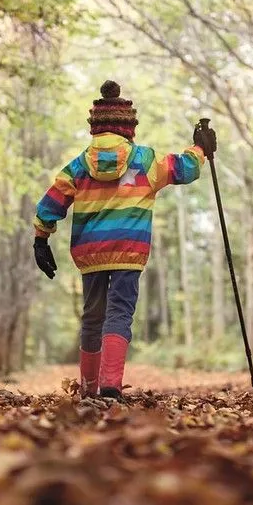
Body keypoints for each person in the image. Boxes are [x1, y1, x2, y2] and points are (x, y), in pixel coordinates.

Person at [33, 80, 215, 399]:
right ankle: (110, 386)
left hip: (90, 253)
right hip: (129, 251)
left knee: (92, 316)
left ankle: (88, 389)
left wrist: (41, 238)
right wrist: (200, 149)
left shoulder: (78, 165)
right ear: (128, 127)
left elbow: (53, 200)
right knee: (119, 312)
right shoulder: (144, 161)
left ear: (95, 128)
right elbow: (183, 169)